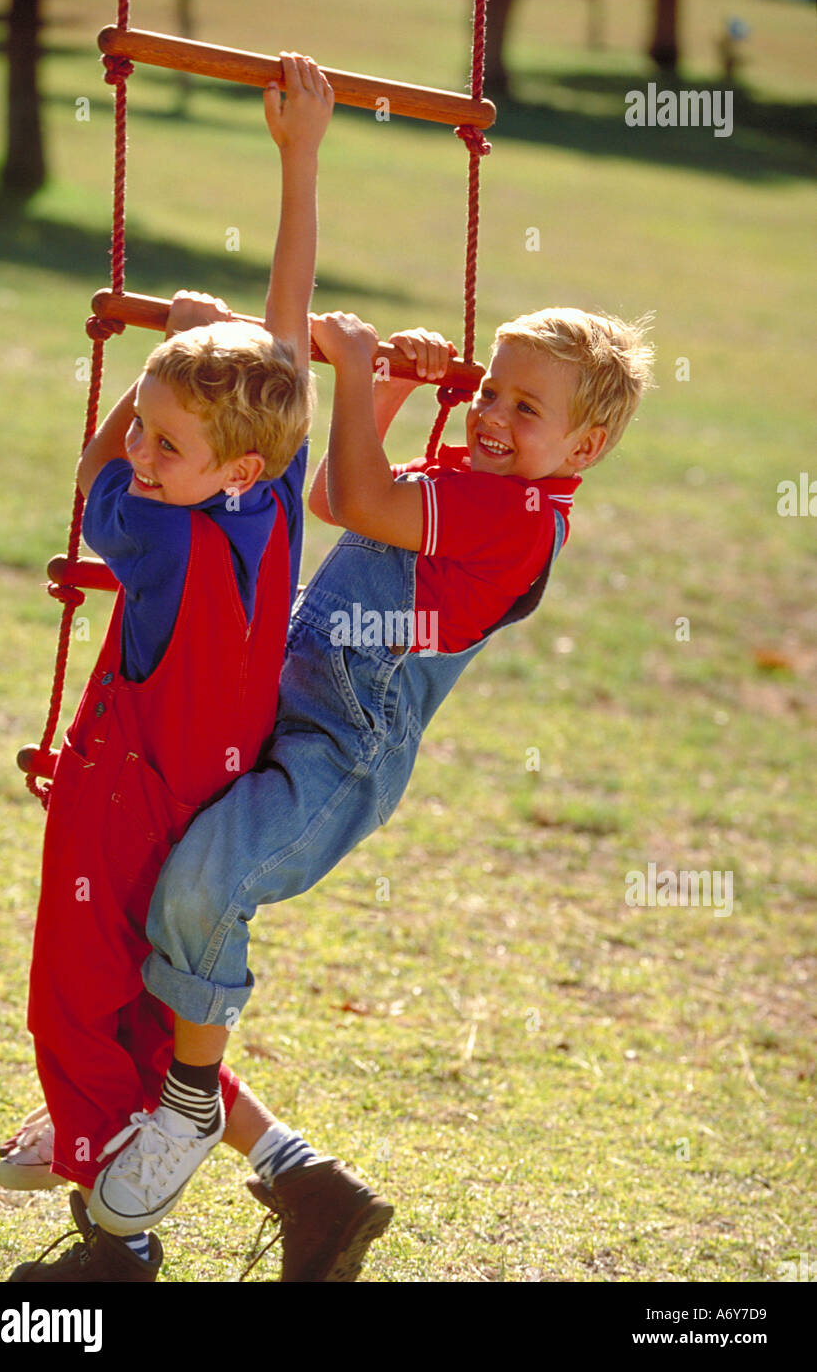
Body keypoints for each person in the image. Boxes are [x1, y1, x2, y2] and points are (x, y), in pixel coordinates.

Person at [86, 303, 655, 1257]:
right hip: (284, 702)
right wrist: (388, 387)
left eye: (527, 409)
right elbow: (331, 500)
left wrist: (353, 371)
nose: (491, 418)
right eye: (489, 392)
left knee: (203, 886)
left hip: (338, 749)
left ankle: (184, 1108)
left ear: (584, 446)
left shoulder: (511, 512)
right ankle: (239, 1153)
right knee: (153, 886)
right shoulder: (472, 479)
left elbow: (352, 499)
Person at [9, 55, 356, 1284]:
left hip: (123, 804)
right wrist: (298, 161)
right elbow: (285, 334)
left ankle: (115, 1229)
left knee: (75, 992)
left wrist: (148, 368)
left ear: (235, 465)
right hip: (203, 800)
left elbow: (88, 481)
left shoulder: (153, 527)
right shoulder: (265, 510)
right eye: (149, 436)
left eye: (169, 442)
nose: (147, 456)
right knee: (138, 998)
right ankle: (158, 1161)